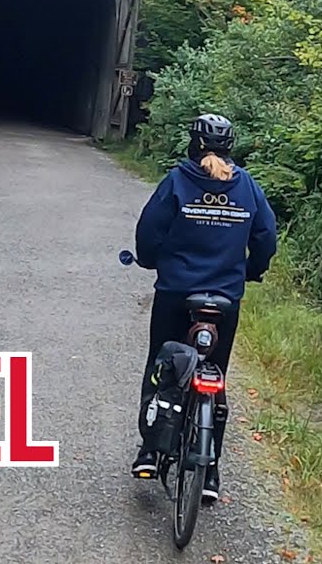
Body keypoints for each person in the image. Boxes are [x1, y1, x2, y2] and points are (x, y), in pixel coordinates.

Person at [129, 113, 278, 502]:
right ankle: (209, 470)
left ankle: (149, 450)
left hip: (177, 292)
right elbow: (266, 236)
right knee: (215, 374)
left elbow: (149, 230)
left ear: (193, 145)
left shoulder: (178, 181)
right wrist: (251, 270)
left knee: (161, 366)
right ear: (231, 147)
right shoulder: (247, 187)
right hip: (225, 299)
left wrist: (150, 259)